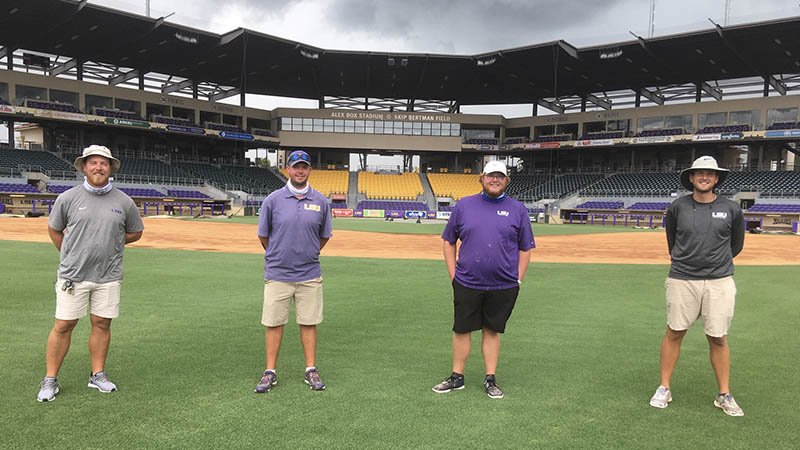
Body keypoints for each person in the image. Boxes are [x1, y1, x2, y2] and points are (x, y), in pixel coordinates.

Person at [37, 145, 144, 402]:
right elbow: (55, 229)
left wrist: (113, 244)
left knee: (102, 324)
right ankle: (50, 379)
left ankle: (97, 375)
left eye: (104, 163)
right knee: (64, 325)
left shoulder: (123, 201)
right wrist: (69, 253)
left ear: (111, 168)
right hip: (73, 276)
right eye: (93, 163)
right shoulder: (68, 198)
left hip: (108, 275)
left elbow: (135, 231)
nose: (98, 167)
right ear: (84, 167)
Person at [649, 155, 746, 417]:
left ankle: (724, 394)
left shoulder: (731, 209)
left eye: (710, 173)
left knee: (718, 337)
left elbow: (736, 245)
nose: (704, 177)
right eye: (699, 173)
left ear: (717, 179)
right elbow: (673, 242)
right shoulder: (677, 207)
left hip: (720, 281)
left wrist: (714, 265)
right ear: (691, 178)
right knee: (674, 332)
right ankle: (664, 387)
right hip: (682, 278)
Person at [432, 160, 535, 399]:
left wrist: (517, 279)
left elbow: (525, 248)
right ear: (482, 178)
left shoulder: (517, 209)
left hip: (503, 285)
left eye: (500, 176)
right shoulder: (464, 206)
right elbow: (448, 241)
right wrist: (453, 275)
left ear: (506, 180)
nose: (495, 180)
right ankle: (457, 377)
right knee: (462, 329)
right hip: (467, 282)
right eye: (491, 176)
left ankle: (490, 378)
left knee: (491, 330)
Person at [255, 150, 333, 393]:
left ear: (309, 170)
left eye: (304, 167)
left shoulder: (321, 201)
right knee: (273, 322)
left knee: (309, 323)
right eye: (296, 166)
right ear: (288, 169)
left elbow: (324, 236)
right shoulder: (273, 200)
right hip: (278, 273)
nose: (300, 171)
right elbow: (263, 235)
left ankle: (310, 369)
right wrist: (280, 254)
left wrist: (307, 253)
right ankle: (270, 372)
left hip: (309, 274)